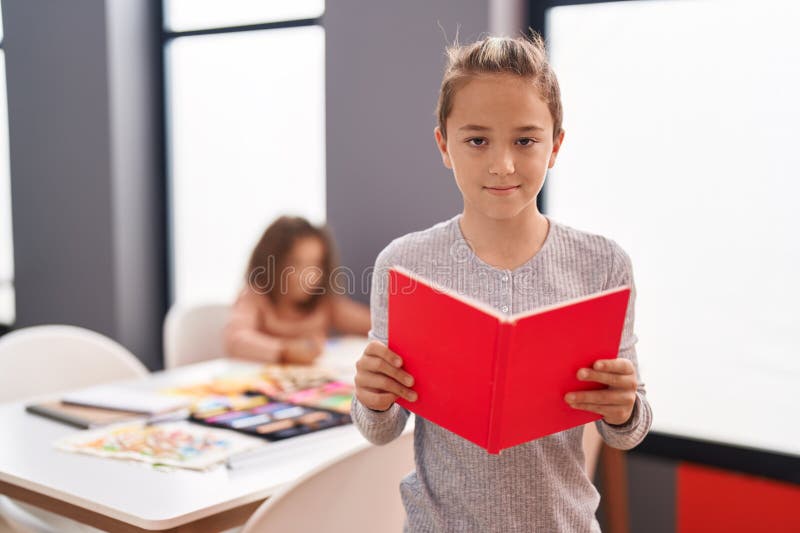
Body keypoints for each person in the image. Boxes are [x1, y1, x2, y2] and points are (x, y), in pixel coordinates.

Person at [351, 33, 652, 532]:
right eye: (476, 140)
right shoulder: (404, 265)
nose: (502, 164)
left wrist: (624, 410)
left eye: (525, 140)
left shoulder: (602, 265)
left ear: (555, 145)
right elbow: (381, 429)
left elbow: (626, 431)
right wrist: (371, 398)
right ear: (444, 145)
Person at [224, 216, 370, 364]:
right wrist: (284, 351)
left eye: (316, 264)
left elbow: (372, 324)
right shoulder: (255, 297)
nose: (308, 276)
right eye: (295, 263)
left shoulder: (325, 304)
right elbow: (236, 340)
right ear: (271, 264)